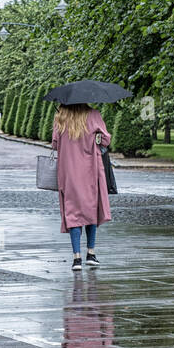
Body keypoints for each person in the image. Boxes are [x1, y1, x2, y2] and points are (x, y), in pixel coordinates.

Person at [52, 102, 112, 270]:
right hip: (90, 169)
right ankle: (91, 253)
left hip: (68, 171)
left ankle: (76, 258)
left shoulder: (61, 117)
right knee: (90, 209)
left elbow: (55, 144)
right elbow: (106, 140)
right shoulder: (94, 115)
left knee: (72, 211)